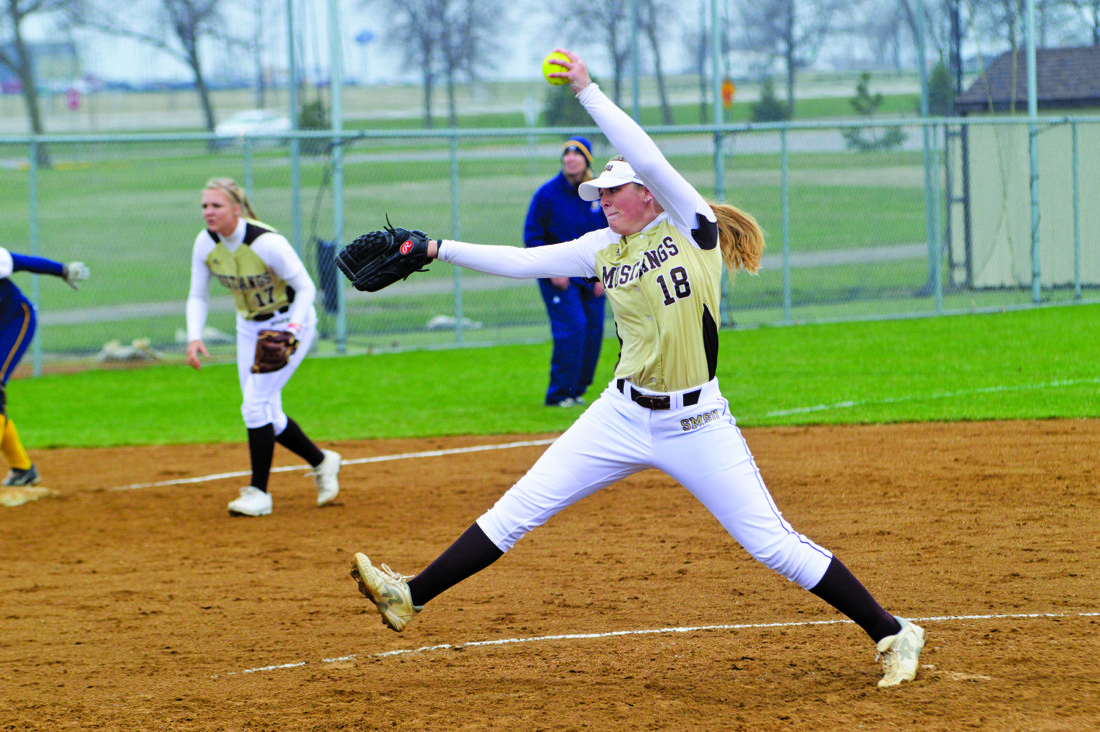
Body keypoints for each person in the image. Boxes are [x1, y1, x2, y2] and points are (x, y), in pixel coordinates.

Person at [349, 50, 925, 688]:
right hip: (621, 414)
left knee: (772, 545)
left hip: (698, 421)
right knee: (520, 508)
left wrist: (589, 92)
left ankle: (893, 631)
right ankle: (412, 596)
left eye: (612, 192)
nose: (602, 203)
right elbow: (521, 260)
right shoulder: (603, 248)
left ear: (646, 195)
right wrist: (435, 248)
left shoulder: (690, 225)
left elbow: (646, 155)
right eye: (597, 196)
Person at [185, 177, 341, 517]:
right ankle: (322, 461)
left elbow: (305, 288)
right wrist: (194, 336)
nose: (208, 212)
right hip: (249, 327)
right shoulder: (205, 243)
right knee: (265, 410)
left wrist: (293, 330)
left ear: (236, 209)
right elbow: (198, 294)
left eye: (217, 205)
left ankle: (259, 493)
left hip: (288, 323)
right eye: (205, 206)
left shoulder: (266, 242)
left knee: (254, 405)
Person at [524, 136, 607, 407]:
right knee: (573, 327)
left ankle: (577, 390)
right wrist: (551, 270)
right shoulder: (547, 194)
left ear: (587, 160)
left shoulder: (597, 194)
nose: (570, 159)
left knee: (593, 330)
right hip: (559, 277)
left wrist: (605, 274)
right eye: (566, 155)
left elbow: (610, 235)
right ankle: (559, 394)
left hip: (592, 276)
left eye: (577, 154)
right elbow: (532, 235)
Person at [0, 249, 89, 487]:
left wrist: (63, 270)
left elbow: (25, 262)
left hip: (15, 320)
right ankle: (22, 470)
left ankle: (23, 470)